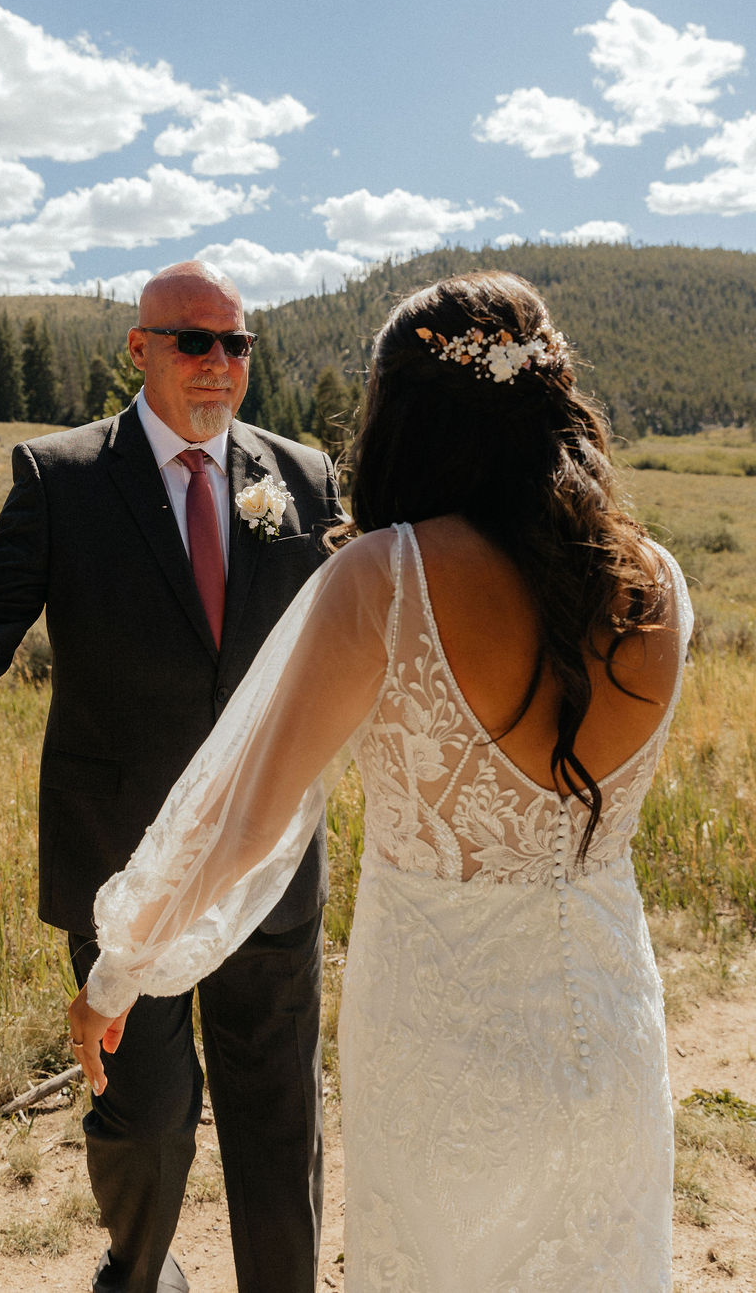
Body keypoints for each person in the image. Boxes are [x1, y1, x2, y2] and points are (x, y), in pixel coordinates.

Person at [68, 270, 694, 1291]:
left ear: (401, 414)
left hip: (439, 1033)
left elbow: (243, 820)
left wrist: (118, 971)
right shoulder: (653, 579)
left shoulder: (386, 577)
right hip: (610, 1019)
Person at [0, 261, 344, 1293]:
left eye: (235, 344)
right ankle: (142, 1275)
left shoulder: (304, 475)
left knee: (275, 1116)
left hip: (266, 859)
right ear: (138, 348)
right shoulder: (60, 475)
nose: (216, 365)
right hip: (121, 858)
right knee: (143, 1113)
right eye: (191, 341)